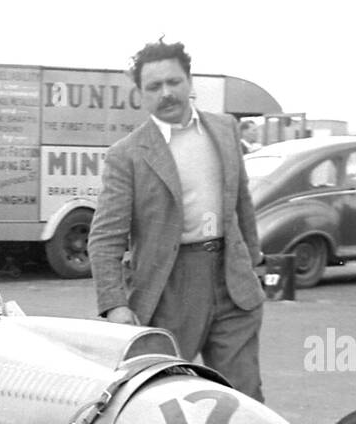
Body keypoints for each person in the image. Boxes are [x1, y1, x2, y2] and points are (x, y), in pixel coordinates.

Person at [88, 39, 266, 400]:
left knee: (244, 399)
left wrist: (255, 262)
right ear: (140, 94)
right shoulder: (128, 155)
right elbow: (105, 238)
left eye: (174, 82)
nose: (166, 93)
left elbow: (241, 201)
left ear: (190, 82)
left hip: (233, 282)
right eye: (154, 87)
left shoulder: (225, 129)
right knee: (165, 402)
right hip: (169, 289)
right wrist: (115, 305)